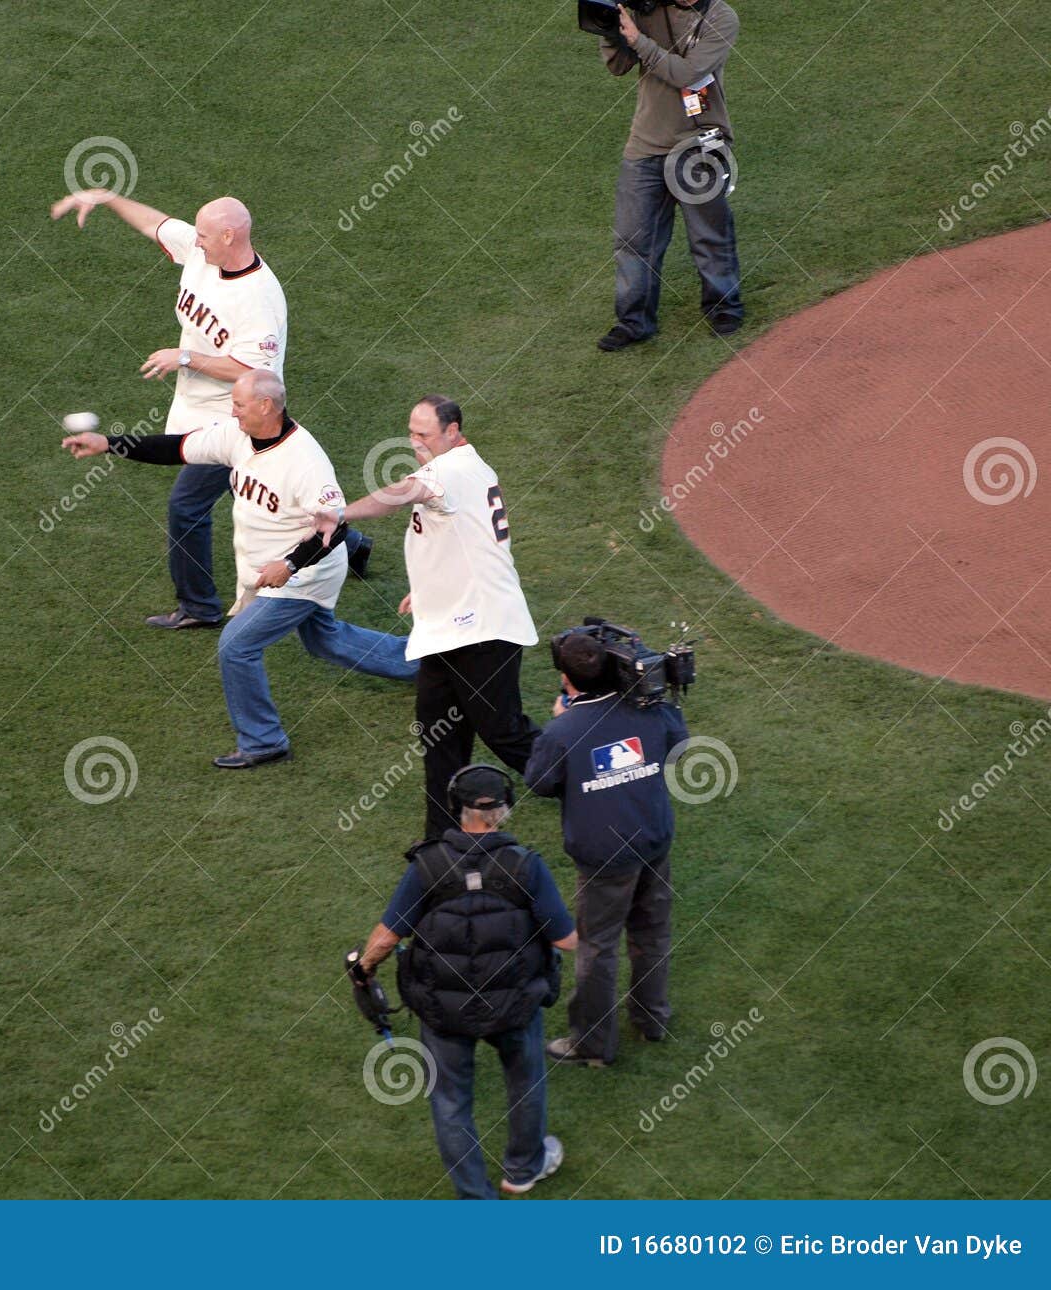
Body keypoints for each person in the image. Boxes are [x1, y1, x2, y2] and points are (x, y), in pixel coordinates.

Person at [49, 185, 372, 629]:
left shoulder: (259, 298)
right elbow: (155, 224)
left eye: (203, 235)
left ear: (229, 237)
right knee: (256, 490)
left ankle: (198, 608)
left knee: (186, 506)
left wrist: (185, 357)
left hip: (237, 418)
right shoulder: (205, 254)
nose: (194, 241)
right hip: (195, 406)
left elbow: (254, 371)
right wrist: (107, 198)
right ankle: (350, 543)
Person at [60, 370, 415, 768]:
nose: (233, 410)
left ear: (266, 406)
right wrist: (107, 444)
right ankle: (431, 666)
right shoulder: (237, 435)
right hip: (269, 569)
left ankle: (263, 741)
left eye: (239, 404)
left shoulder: (306, 462)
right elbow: (177, 447)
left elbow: (337, 526)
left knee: (237, 644)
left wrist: (290, 564)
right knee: (324, 641)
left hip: (306, 572)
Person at [309, 395, 540, 841]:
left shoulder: (448, 470)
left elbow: (404, 493)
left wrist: (341, 513)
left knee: (504, 733)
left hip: (482, 630)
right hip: (449, 630)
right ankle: (441, 842)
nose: (414, 443)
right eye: (411, 433)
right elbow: (467, 541)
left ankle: (587, 784)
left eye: (424, 435)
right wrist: (428, 589)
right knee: (439, 739)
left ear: (452, 432)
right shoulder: (468, 469)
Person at [355, 765, 577, 1198]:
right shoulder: (525, 865)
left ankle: (475, 1199)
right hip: (515, 1002)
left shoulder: (427, 865)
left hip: (444, 1010)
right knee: (526, 1081)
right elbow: (565, 939)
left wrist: (363, 968)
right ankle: (523, 1168)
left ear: (457, 808)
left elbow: (388, 936)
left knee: (451, 1101)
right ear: (504, 809)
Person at [522, 630, 690, 1066]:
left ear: (567, 679)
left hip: (604, 858)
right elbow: (680, 742)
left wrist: (562, 719)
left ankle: (594, 1044)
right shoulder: (646, 709)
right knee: (651, 933)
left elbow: (539, 782)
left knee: (597, 947)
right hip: (653, 839)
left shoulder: (564, 729)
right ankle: (652, 1019)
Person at [597, 0, 743, 351]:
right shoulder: (645, 10)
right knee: (633, 241)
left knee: (709, 235)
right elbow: (617, 66)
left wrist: (639, 40)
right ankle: (634, 322)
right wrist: (610, 28)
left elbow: (687, 75)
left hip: (700, 142)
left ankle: (725, 308)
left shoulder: (721, 17)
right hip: (645, 143)